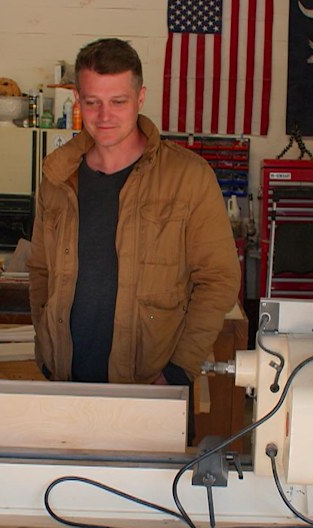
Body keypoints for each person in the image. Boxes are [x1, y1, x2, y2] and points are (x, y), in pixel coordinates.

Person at [28, 38, 240, 389]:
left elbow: (219, 280)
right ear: (78, 100)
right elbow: (39, 272)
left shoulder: (188, 176)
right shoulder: (57, 176)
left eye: (118, 102)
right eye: (93, 102)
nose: (104, 116)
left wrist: (177, 371)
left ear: (141, 98)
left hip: (151, 386)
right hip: (65, 381)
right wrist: (47, 354)